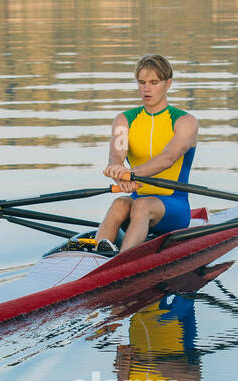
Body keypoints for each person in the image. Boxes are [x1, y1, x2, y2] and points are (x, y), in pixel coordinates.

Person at [91, 54, 199, 255]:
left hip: (174, 205)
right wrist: (118, 171)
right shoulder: (124, 120)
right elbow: (117, 153)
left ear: (168, 83)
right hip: (138, 199)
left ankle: (122, 262)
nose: (146, 88)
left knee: (141, 205)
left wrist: (131, 174)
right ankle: (94, 257)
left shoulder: (185, 122)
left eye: (153, 82)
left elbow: (168, 158)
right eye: (141, 82)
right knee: (119, 204)